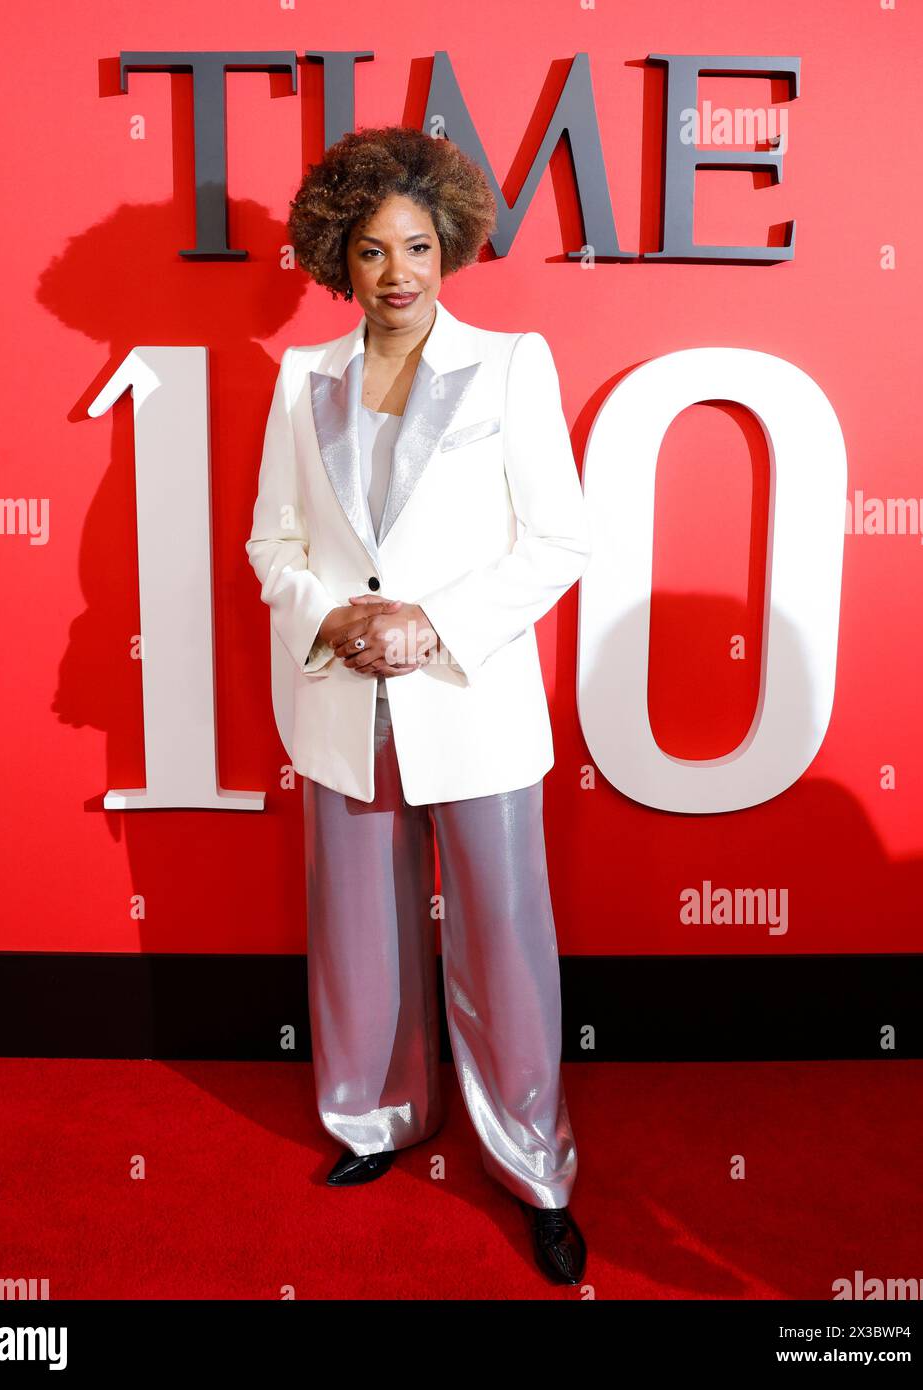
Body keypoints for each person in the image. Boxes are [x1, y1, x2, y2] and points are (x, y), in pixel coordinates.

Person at [246, 125, 591, 1285]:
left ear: (448, 248)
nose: (396, 273)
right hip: (346, 702)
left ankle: (535, 1162)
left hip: (469, 698)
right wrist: (328, 615)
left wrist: (427, 623)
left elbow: (558, 539)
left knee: (501, 937)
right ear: (335, 260)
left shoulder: (512, 366)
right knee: (359, 931)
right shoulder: (304, 379)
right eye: (370, 251)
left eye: (416, 248)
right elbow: (274, 540)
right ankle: (372, 1117)